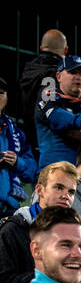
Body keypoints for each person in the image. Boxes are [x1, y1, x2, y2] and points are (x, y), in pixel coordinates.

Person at [0, 160, 78, 283]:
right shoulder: (12, 230)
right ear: (39, 190)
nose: (65, 196)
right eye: (59, 188)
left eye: (71, 192)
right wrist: (48, 278)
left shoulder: (72, 236)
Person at [17, 29, 67, 146]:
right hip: (48, 143)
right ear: (66, 50)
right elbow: (49, 112)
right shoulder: (57, 74)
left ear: (41, 48)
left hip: (26, 138)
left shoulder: (27, 70)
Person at [0, 79, 38, 218]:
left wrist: (17, 162)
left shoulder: (15, 132)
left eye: (2, 93)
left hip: (9, 208)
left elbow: (31, 169)